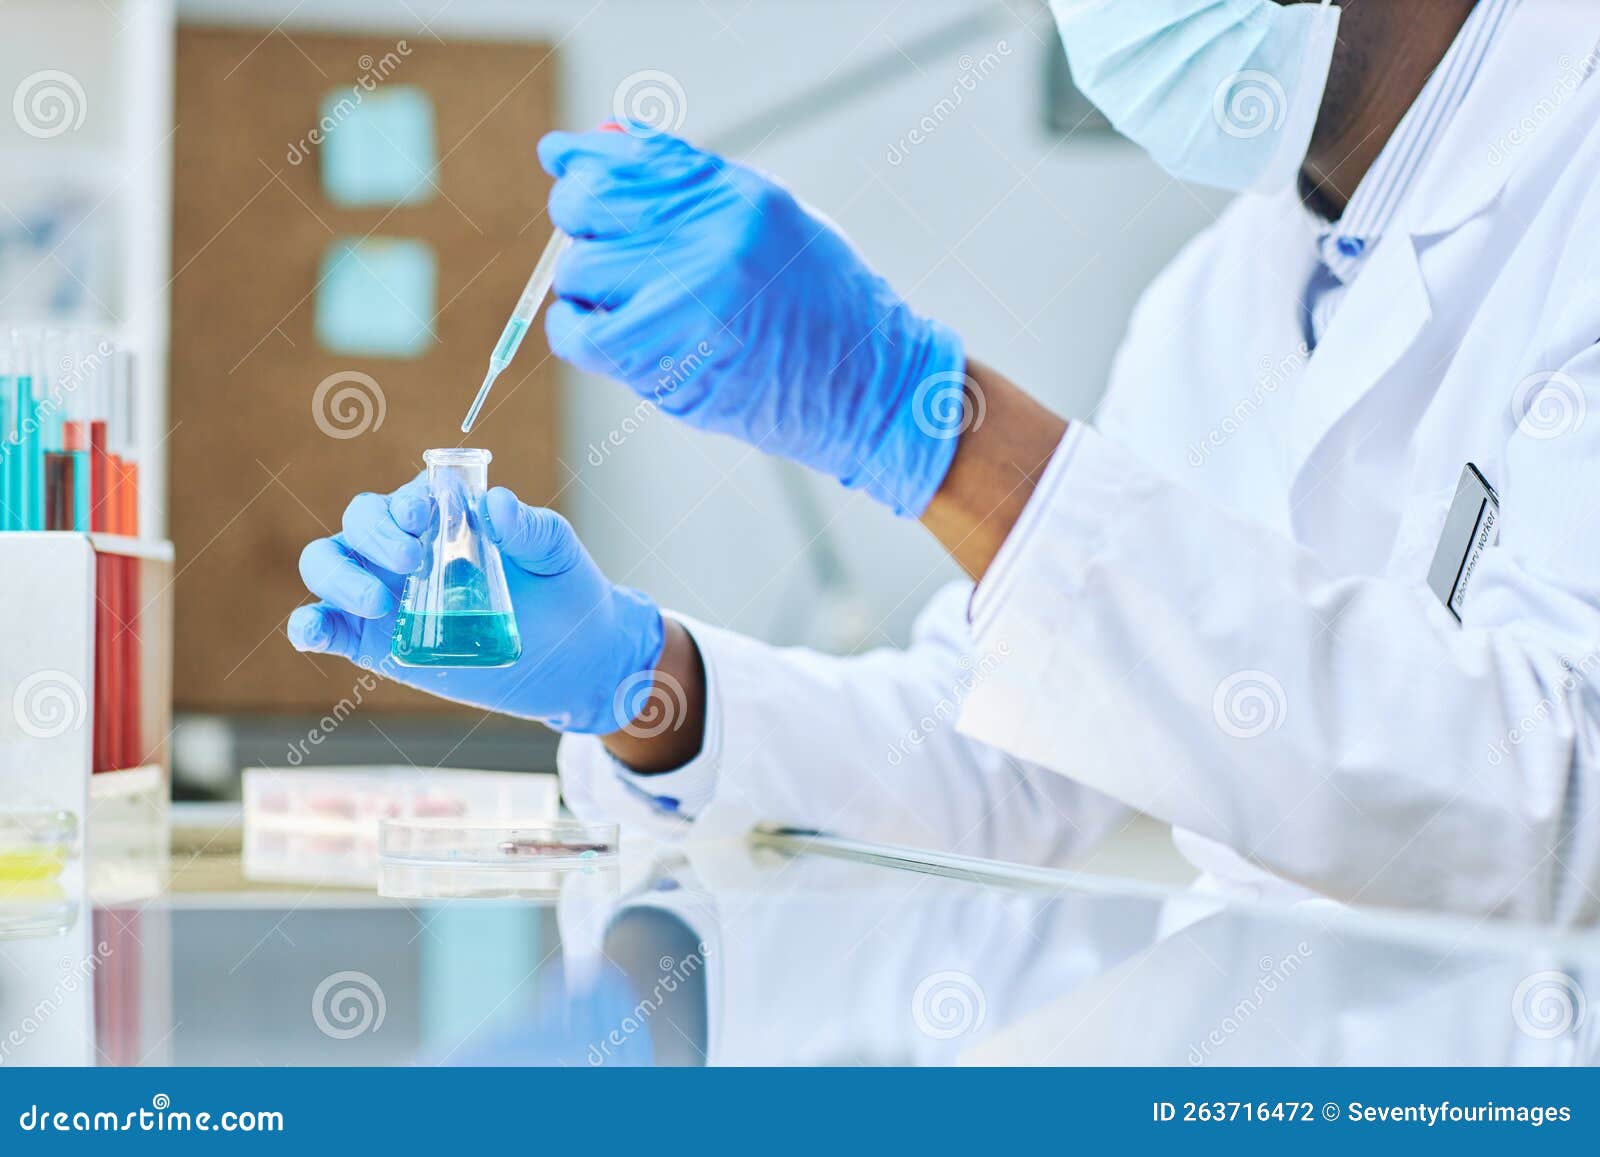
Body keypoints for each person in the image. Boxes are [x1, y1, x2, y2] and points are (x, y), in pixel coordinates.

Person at [291, 0, 1600, 923]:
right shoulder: (1221, 296)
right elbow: (1014, 753)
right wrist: (650, 682)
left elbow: (1560, 816)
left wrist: (935, 425)